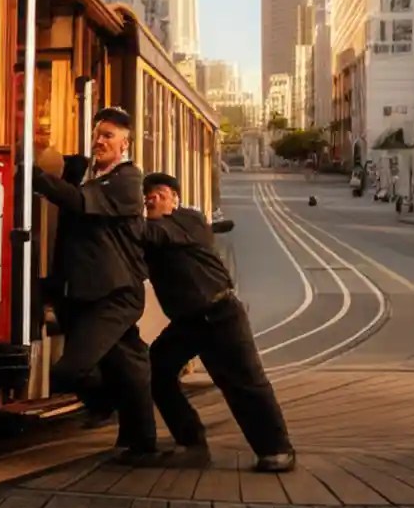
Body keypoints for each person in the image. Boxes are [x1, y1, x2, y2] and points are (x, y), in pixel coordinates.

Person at [140, 172, 296, 473]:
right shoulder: (151, 231)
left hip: (221, 313)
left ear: (175, 198)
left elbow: (154, 235)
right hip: (188, 322)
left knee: (246, 382)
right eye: (148, 194)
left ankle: (277, 450)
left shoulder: (189, 221)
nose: (152, 197)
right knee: (156, 371)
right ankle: (192, 443)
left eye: (160, 192)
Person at [30, 106, 159, 463]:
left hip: (115, 293)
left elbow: (77, 201)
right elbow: (57, 160)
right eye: (98, 134)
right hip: (86, 293)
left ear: (125, 145)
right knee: (129, 365)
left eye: (109, 136)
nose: (100, 141)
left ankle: (106, 406)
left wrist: (32, 176)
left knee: (71, 370)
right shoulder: (86, 171)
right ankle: (141, 443)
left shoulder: (128, 180)